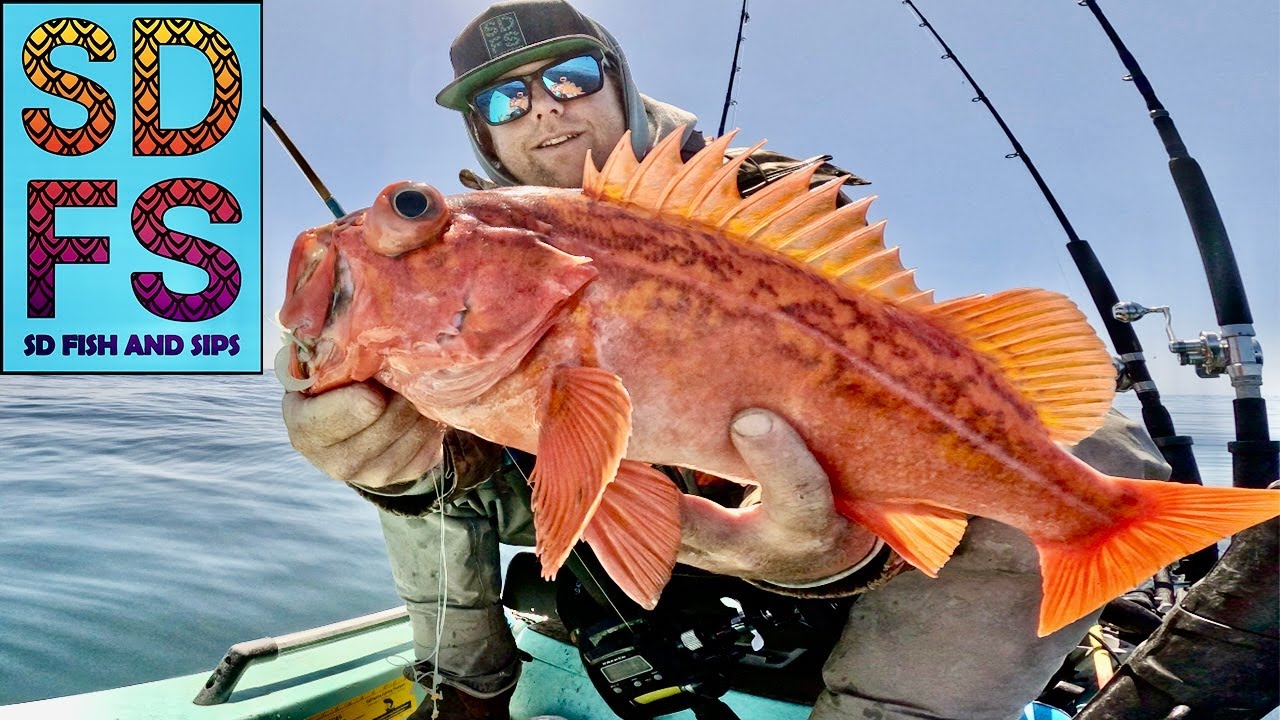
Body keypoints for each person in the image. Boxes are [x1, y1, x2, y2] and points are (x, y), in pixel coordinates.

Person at [282, 2, 1172, 718]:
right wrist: (403, 465)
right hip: (602, 533)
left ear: (619, 83)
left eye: (571, 76)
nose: (544, 107)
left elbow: (899, 347)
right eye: (504, 101)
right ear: (483, 138)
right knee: (406, 465)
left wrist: (839, 549)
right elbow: (510, 464)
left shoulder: (756, 199)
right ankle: (467, 684)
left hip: (826, 533)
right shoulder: (485, 247)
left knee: (1093, 450)